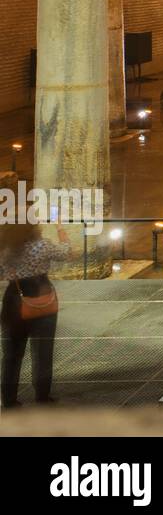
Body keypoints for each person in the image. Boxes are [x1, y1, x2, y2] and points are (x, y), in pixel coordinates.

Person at [0, 173, 69, 409]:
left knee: (11, 353)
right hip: (42, 297)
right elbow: (67, 252)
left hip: (14, 298)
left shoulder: (5, 249)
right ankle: (42, 396)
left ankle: (9, 400)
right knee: (43, 351)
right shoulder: (42, 246)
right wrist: (60, 227)